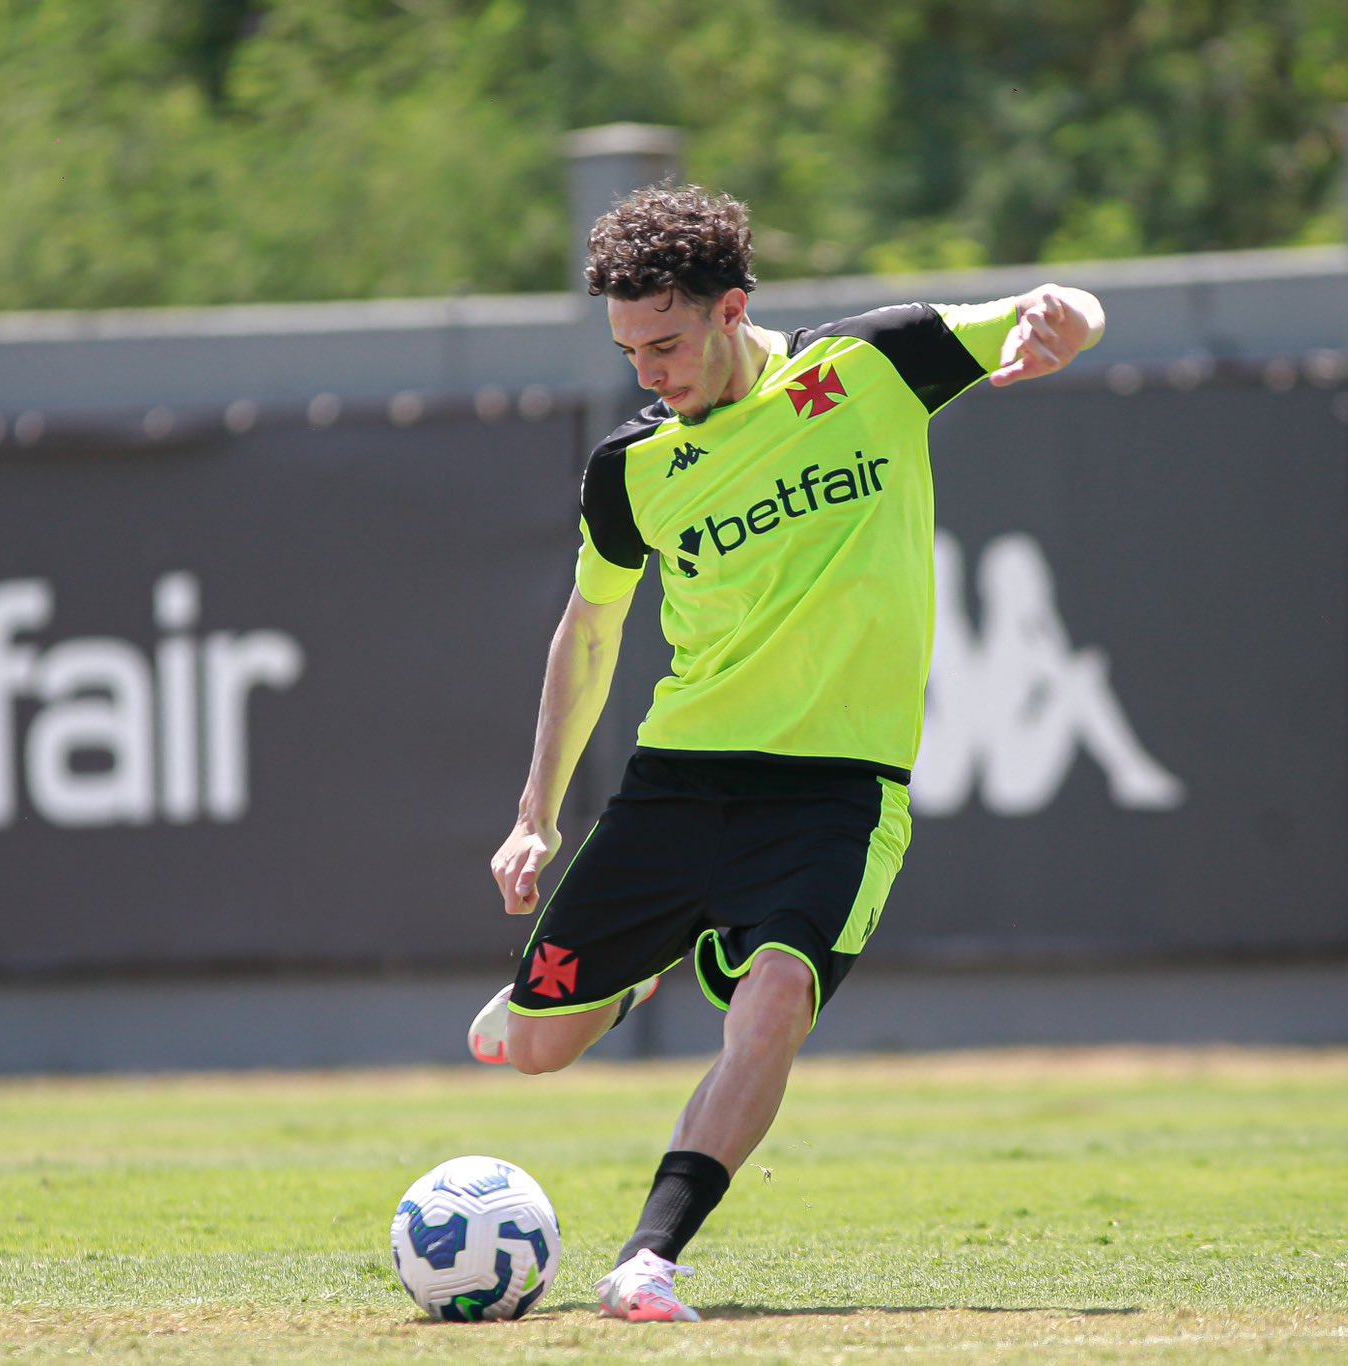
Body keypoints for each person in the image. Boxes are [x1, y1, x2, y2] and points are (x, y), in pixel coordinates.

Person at [464, 184, 1105, 1322]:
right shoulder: (631, 468)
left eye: (664, 341)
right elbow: (591, 625)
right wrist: (533, 813)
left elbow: (1050, 307)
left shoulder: (871, 366)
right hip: (680, 780)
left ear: (731, 309)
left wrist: (1066, 316)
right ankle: (631, 967)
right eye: (625, 349)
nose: (647, 369)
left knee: (771, 1008)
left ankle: (649, 1257)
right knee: (535, 1048)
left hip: (834, 796)